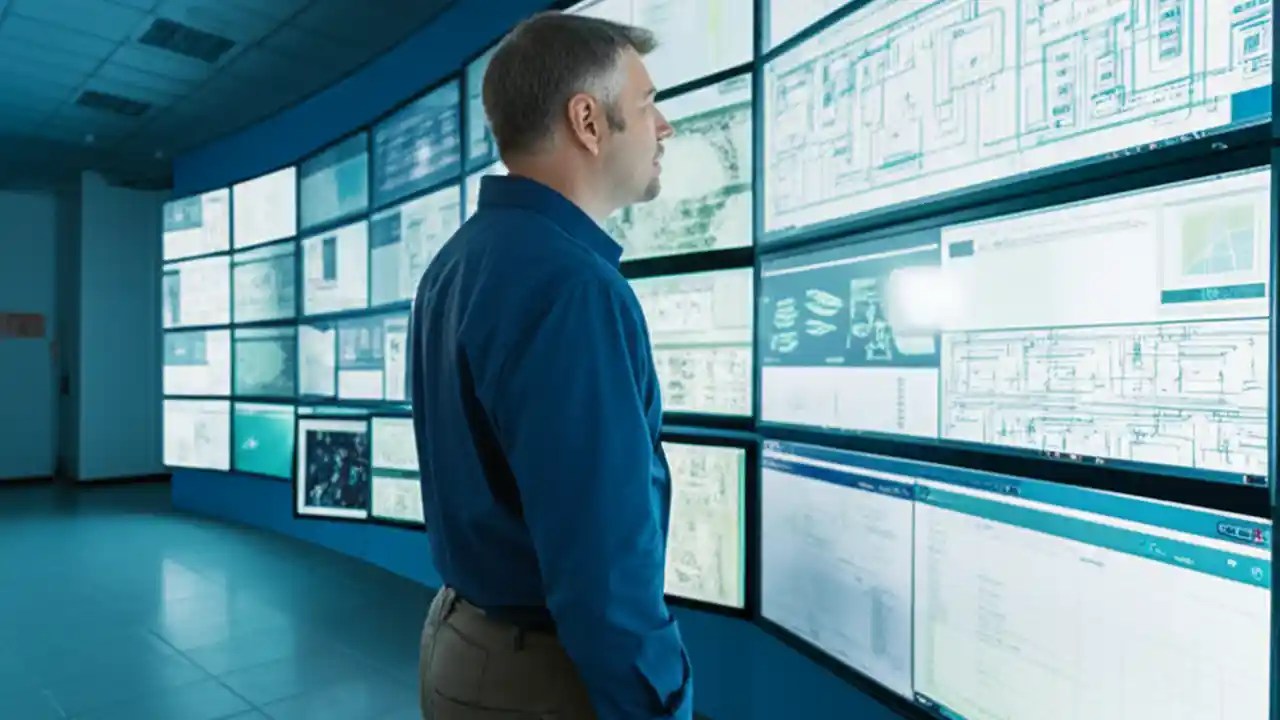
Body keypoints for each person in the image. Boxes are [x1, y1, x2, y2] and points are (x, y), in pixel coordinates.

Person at [408, 10, 688, 720]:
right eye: (650, 104)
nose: (666, 128)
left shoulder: (458, 261)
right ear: (589, 122)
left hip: (462, 642)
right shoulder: (572, 286)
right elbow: (603, 570)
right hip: (540, 679)